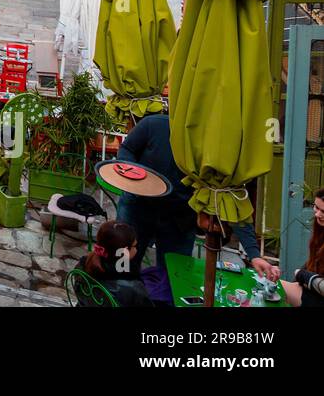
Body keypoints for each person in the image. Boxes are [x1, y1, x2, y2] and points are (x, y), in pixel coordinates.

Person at [116, 113, 274, 278]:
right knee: (123, 266)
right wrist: (131, 173)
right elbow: (127, 148)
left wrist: (254, 254)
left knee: (175, 276)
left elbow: (230, 196)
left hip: (180, 220)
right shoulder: (153, 124)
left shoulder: (214, 148)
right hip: (137, 207)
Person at [76, 220, 152, 306]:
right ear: (124, 252)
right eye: (134, 246)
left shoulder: (83, 265)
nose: (136, 249)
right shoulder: (132, 287)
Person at [282, 188, 324, 308]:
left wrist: (302, 275)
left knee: (277, 288)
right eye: (316, 207)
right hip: (314, 290)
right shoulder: (320, 229)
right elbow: (313, 262)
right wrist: (298, 279)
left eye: (323, 211)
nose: (317, 214)